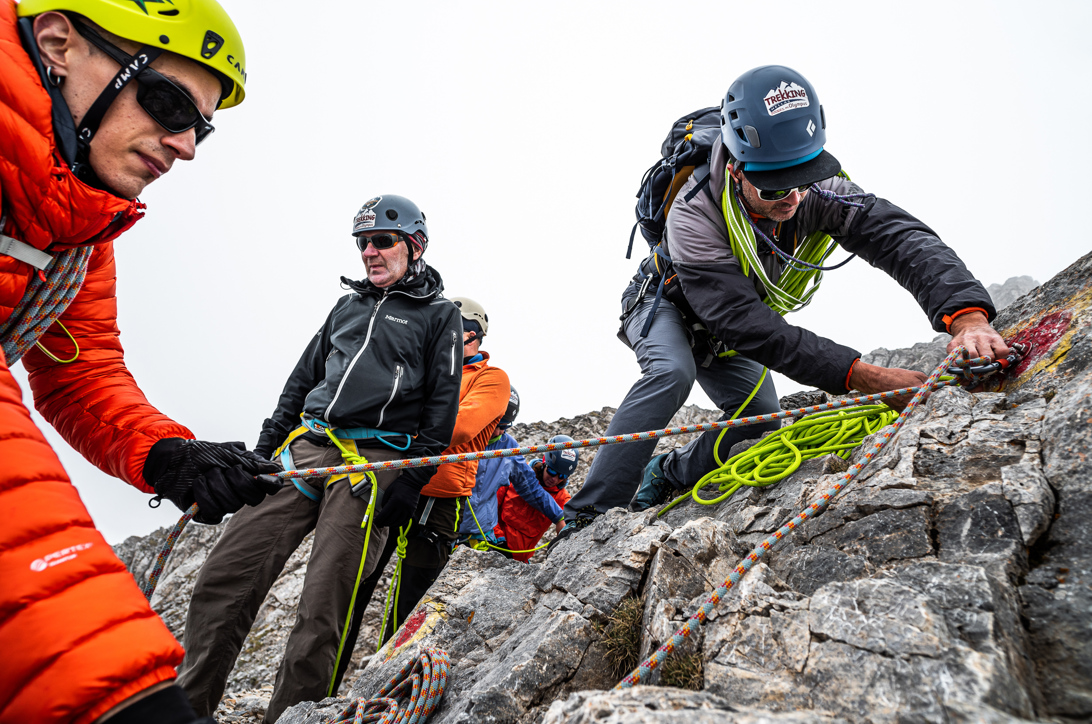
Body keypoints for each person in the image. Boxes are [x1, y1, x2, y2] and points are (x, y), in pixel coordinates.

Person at [556, 65, 1009, 542]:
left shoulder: (819, 191)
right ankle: (588, 514)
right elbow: (744, 323)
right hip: (665, 304)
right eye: (774, 187)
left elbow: (899, 238)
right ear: (736, 170)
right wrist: (864, 377)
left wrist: (967, 317)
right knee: (672, 372)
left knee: (762, 419)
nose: (792, 198)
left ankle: (668, 473)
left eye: (802, 180)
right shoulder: (694, 214)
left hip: (725, 326)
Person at [0, 1, 281, 721]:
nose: (185, 146)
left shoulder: (72, 231)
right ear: (57, 42)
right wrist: (115, 693)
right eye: (168, 104)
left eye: (200, 128)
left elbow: (80, 370)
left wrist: (167, 455)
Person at [175, 195, 463, 723]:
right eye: (362, 243)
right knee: (223, 577)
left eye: (382, 241)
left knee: (323, 607)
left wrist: (413, 478)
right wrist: (263, 451)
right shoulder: (346, 308)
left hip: (373, 462)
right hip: (305, 447)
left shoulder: (440, 316)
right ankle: (189, 711)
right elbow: (302, 380)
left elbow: (442, 409)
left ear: (415, 245)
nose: (369, 252)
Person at [337, 296, 510, 667]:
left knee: (411, 608)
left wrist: (404, 422)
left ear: (471, 334)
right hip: (393, 487)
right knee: (352, 592)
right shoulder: (424, 371)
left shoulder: (491, 379)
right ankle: (326, 687)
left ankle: (389, 689)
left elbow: (459, 427)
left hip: (438, 502)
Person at [458, 386, 565, 552]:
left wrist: (558, 517)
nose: (498, 432)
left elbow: (530, 488)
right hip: (447, 529)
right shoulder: (460, 435)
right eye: (495, 424)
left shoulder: (509, 447)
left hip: (482, 535)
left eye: (504, 427)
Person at [495, 435, 577, 562]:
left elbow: (568, 522)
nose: (554, 479)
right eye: (552, 471)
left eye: (562, 476)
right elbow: (491, 506)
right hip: (494, 546)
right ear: (544, 461)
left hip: (520, 561)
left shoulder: (562, 498)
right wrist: (498, 538)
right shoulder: (517, 476)